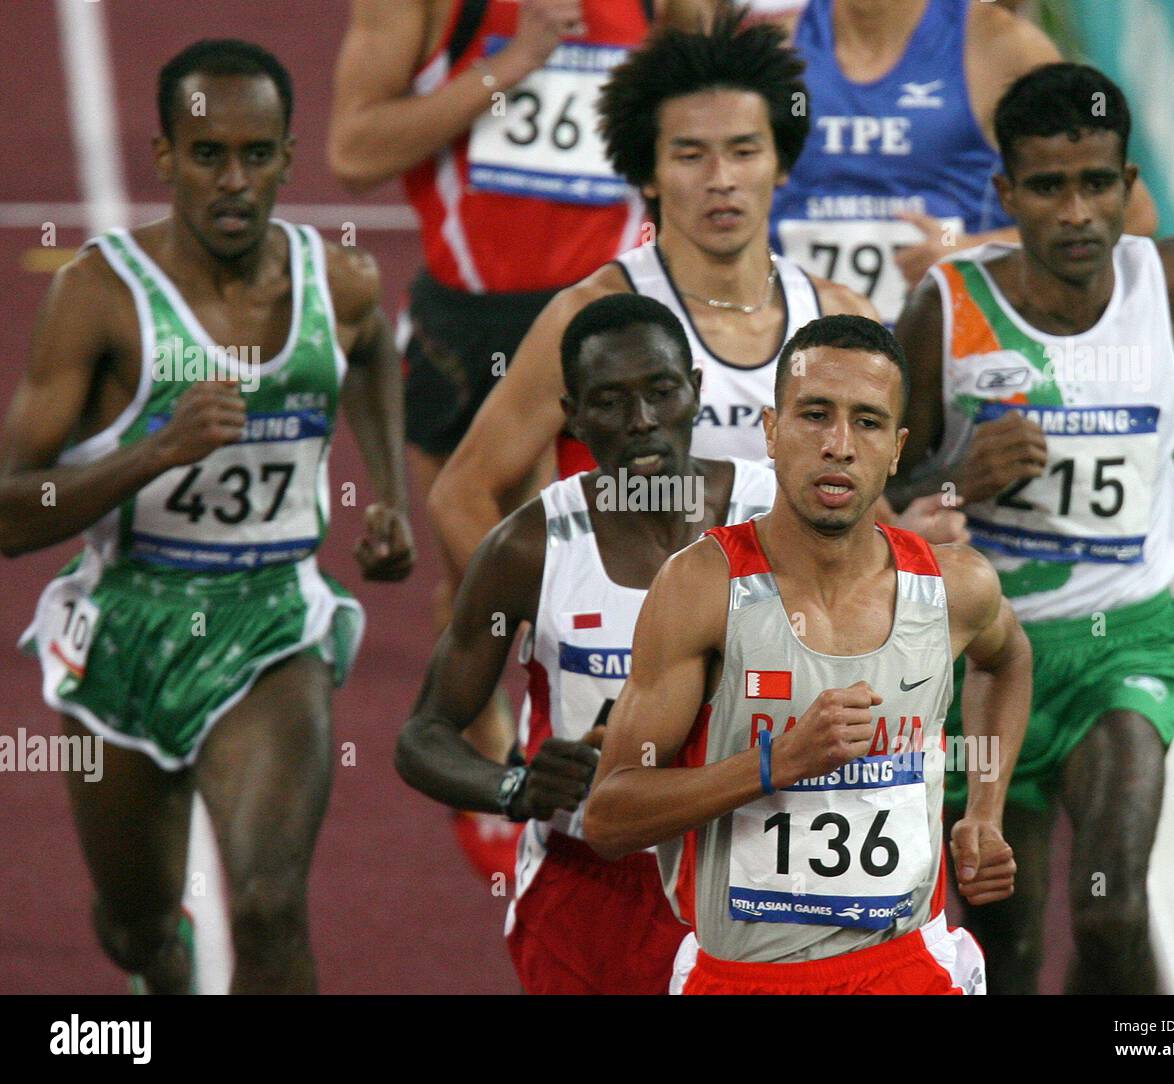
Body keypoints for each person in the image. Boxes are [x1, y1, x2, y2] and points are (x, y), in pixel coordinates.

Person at [0, 40, 413, 994]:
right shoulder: (99, 298)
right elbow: (14, 515)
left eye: (258, 154)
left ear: (287, 156)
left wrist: (387, 489)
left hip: (273, 621)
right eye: (207, 154)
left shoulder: (337, 281)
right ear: (163, 158)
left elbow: (374, 354)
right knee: (134, 928)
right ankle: (165, 970)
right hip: (127, 628)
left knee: (269, 907)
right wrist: (154, 452)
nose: (235, 181)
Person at [330, 0, 719, 872]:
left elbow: (714, 116)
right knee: (477, 572)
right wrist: (513, 64)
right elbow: (353, 150)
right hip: (469, 326)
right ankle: (504, 788)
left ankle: (653, 768)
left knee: (638, 557)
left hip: (610, 336)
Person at [889, 63, 1174, 993]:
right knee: (1004, 947)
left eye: (1099, 183)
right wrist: (956, 479)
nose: (1079, 211)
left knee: (1111, 908)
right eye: (1048, 187)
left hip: (1125, 640)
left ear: (1130, 186)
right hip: (986, 661)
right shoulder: (948, 310)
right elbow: (876, 496)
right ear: (1006, 194)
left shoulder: (1173, 279)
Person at [584, 315, 1032, 995]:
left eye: (868, 423)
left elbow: (1008, 662)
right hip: (744, 976)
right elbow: (609, 817)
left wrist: (984, 811)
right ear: (771, 430)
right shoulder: (701, 589)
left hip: (908, 965)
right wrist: (777, 764)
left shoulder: (955, 588)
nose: (839, 445)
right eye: (815, 415)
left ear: (896, 450)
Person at [429, 10, 943, 581]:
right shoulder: (592, 316)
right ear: (648, 174)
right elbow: (462, 492)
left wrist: (911, 537)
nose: (720, 178)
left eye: (744, 151)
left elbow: (858, 504)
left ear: (781, 165)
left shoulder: (841, 316)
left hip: (781, 656)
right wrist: (542, 621)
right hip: (627, 659)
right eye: (690, 155)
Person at [396, 293, 777, 993]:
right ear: (571, 416)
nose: (641, 423)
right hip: (590, 892)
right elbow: (423, 735)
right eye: (609, 401)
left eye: (660, 391)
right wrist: (514, 786)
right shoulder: (528, 546)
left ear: (695, 390)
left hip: (752, 869)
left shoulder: (778, 518)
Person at [767, 0, 1159, 324]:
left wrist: (972, 251)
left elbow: (1135, 214)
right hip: (803, 358)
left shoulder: (998, 46)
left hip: (957, 353)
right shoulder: (774, 49)